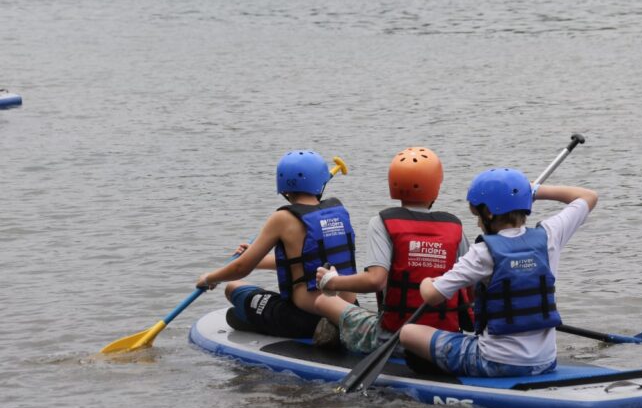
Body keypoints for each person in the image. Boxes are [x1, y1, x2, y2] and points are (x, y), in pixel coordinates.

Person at [399, 168, 598, 377]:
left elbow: (432, 296)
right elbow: (588, 196)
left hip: (494, 363)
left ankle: (440, 380)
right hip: (546, 362)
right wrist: (534, 190)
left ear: (490, 214)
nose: (477, 223)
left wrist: (428, 281)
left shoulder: (483, 252)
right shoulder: (550, 235)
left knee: (408, 333)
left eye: (477, 215)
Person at [313, 146, 472, 353]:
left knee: (324, 301)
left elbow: (376, 280)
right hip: (444, 339)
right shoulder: (455, 227)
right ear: (436, 186)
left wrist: (332, 281)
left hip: (391, 339)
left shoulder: (382, 222)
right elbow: (471, 288)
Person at [195, 150, 357, 338]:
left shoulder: (282, 218)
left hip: (305, 317)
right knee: (236, 314)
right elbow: (306, 261)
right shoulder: (337, 210)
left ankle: (314, 327)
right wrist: (256, 257)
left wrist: (210, 279)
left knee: (233, 288)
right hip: (347, 309)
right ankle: (332, 325)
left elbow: (241, 268)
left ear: (283, 187)